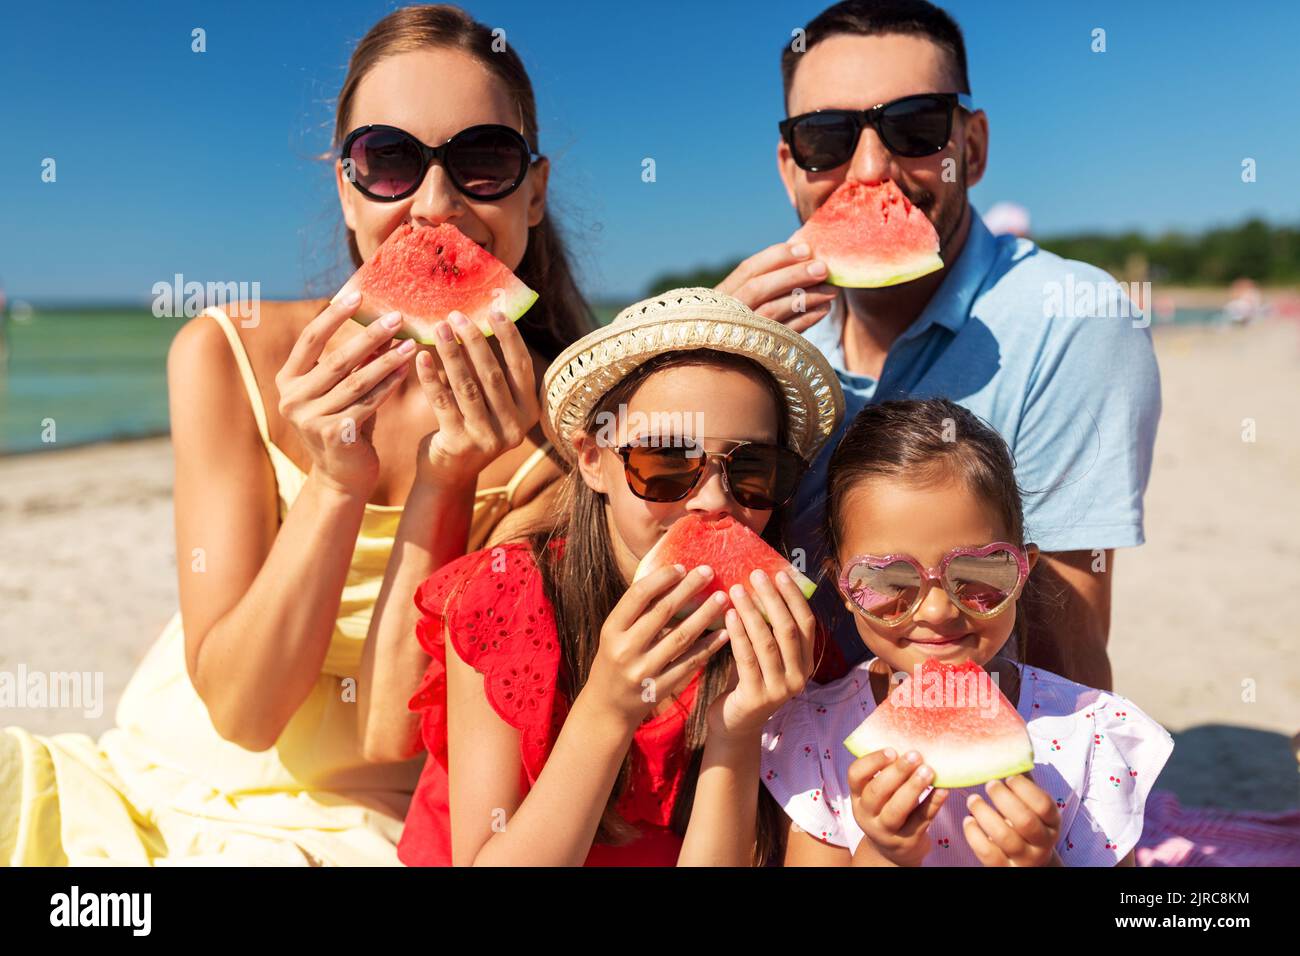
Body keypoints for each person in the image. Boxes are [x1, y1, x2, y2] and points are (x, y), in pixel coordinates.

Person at [0, 4, 592, 866]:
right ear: (345, 188)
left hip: (357, 825)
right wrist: (334, 478)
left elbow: (394, 728)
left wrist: (449, 477)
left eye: (483, 161)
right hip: (145, 769)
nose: (435, 205)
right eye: (389, 160)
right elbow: (242, 711)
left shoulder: (563, 439)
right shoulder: (222, 351)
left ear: (532, 191)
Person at [719, 0, 1161, 692]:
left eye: (914, 128)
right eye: (825, 138)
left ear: (972, 147)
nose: (870, 171)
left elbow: (1060, 653)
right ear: (789, 166)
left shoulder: (1072, 321)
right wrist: (704, 367)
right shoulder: (754, 337)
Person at [394, 288, 847, 865]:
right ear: (592, 460)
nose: (712, 502)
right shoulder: (503, 598)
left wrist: (734, 736)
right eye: (665, 461)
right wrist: (607, 708)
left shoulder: (786, 642)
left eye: (753, 469)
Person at [762, 399, 1174, 866]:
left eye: (976, 573)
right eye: (890, 581)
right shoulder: (816, 736)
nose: (937, 611)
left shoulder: (1092, 736)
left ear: (1024, 571)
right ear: (843, 586)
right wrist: (882, 851)